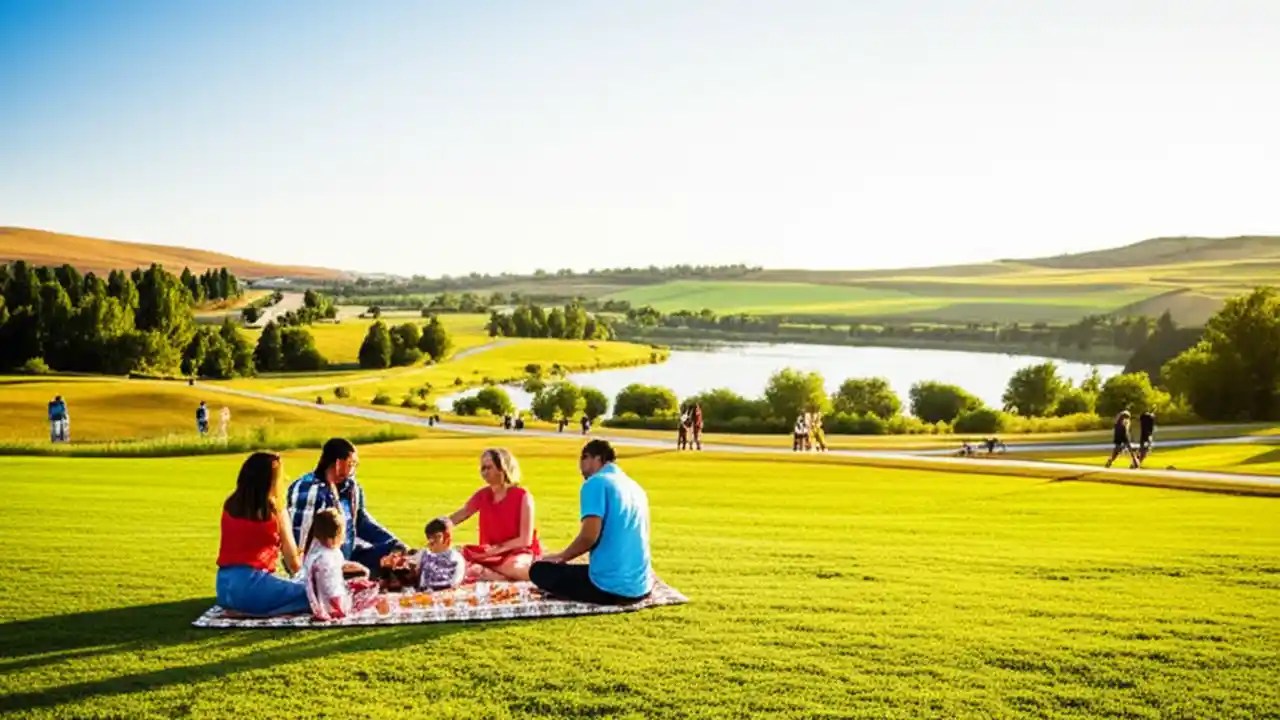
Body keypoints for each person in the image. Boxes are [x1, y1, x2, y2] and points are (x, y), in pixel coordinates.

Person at [531, 440, 653, 605]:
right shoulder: (634, 486)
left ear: (596, 458)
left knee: (539, 570)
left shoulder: (596, 483)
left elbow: (589, 537)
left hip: (611, 588)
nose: (580, 467)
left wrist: (561, 557)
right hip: (641, 586)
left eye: (583, 459)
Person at [286, 438, 408, 575]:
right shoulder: (308, 490)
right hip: (321, 562)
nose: (354, 469)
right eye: (351, 463)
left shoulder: (350, 487)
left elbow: (361, 522)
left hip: (348, 554)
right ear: (338, 463)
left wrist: (394, 544)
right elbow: (299, 534)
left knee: (397, 551)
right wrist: (302, 573)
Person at [215, 452, 309, 616]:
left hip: (224, 587)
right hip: (252, 586)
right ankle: (256, 610)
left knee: (282, 589)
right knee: (313, 595)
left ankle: (248, 609)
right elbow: (293, 562)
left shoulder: (231, 504)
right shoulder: (275, 511)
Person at [443, 448, 541, 581]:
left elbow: (525, 540)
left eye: (489, 467)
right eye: (482, 468)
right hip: (488, 554)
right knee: (457, 562)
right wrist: (439, 525)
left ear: (503, 468)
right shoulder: (482, 495)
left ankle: (495, 574)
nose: (484, 472)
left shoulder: (522, 496)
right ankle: (496, 575)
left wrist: (497, 550)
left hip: (516, 552)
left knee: (516, 567)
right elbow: (461, 515)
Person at [301, 508, 381, 621]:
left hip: (325, 600)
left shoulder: (318, 551)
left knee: (362, 578)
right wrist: (338, 608)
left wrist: (356, 567)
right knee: (371, 589)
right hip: (335, 605)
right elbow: (330, 588)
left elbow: (338, 567)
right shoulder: (325, 558)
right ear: (332, 539)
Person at [417, 517, 466, 591]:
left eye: (436, 537)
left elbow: (454, 586)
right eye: (429, 537)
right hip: (424, 594)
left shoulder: (456, 559)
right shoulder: (424, 554)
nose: (431, 541)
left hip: (444, 595)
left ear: (447, 538)